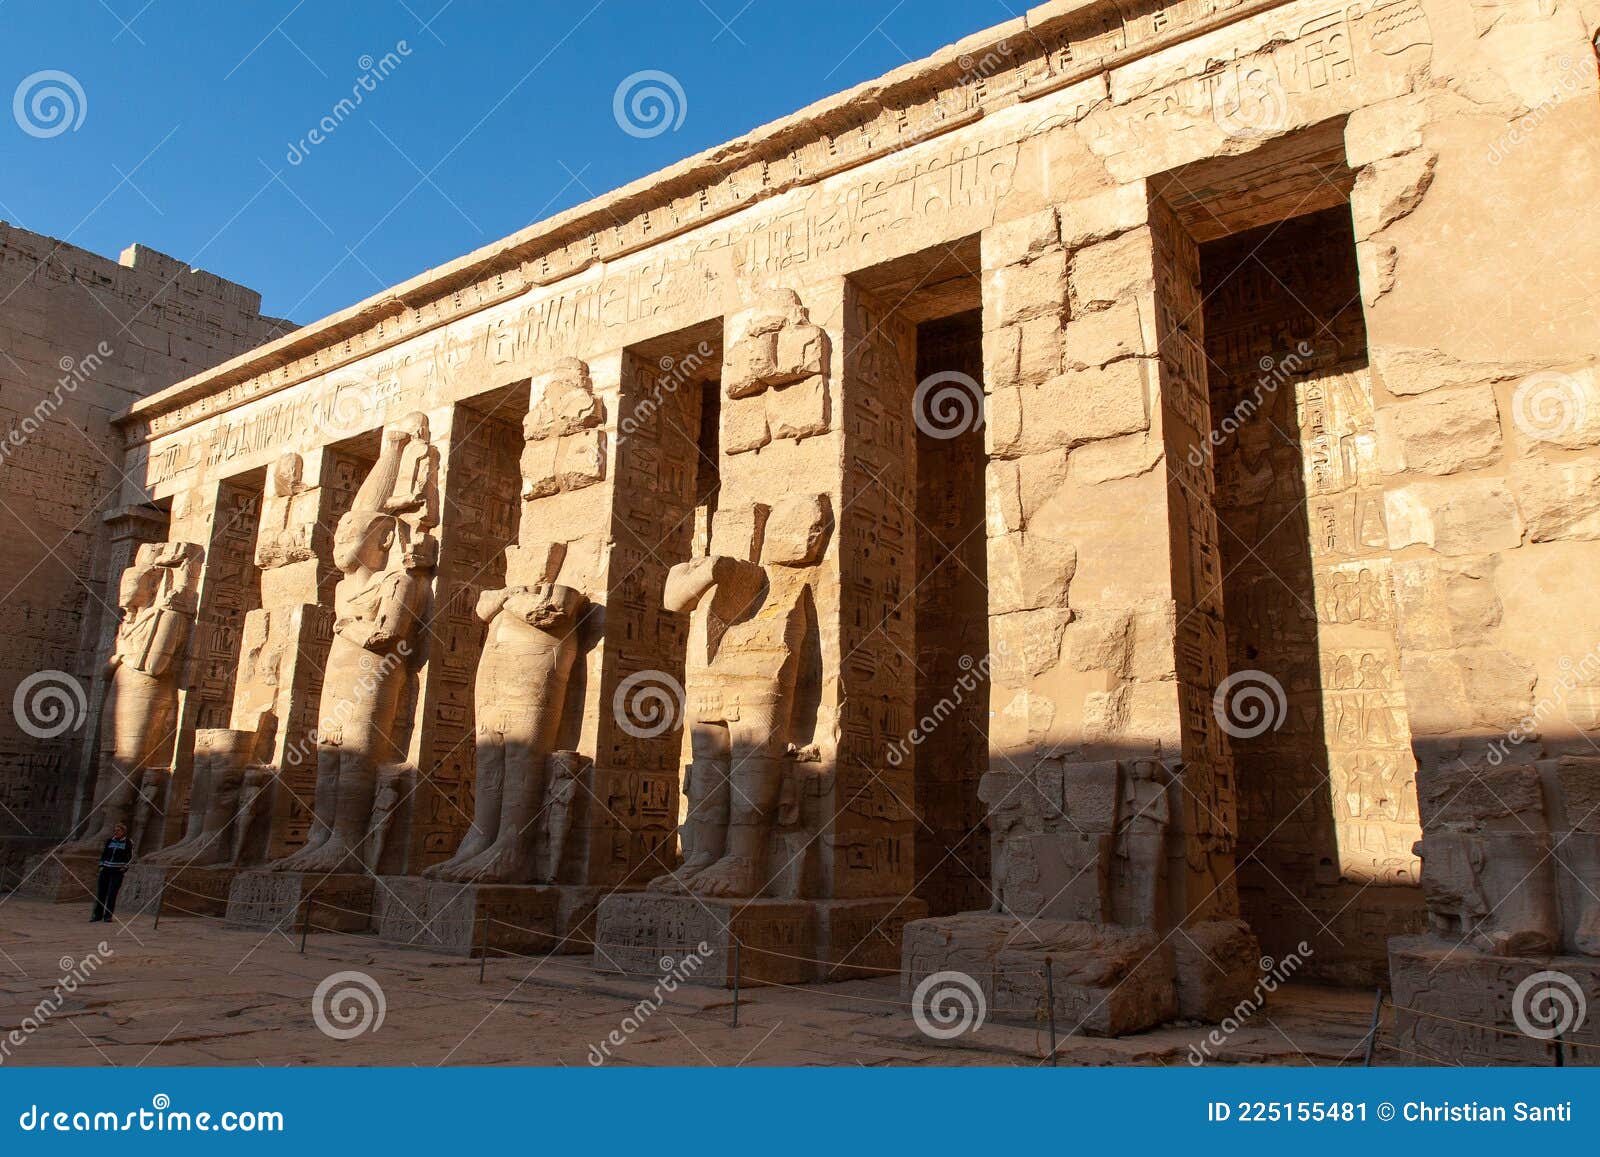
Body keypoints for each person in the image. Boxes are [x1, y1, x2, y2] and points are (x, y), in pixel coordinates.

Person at [91, 823, 132, 922]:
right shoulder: (110, 841)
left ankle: (108, 916)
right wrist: (101, 865)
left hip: (117, 871)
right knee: (101, 893)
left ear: (123, 832)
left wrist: (125, 867)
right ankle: (97, 915)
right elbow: (104, 854)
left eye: (118, 830)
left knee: (112, 894)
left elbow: (130, 856)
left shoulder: (128, 842)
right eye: (115, 830)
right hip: (106, 869)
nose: (116, 832)